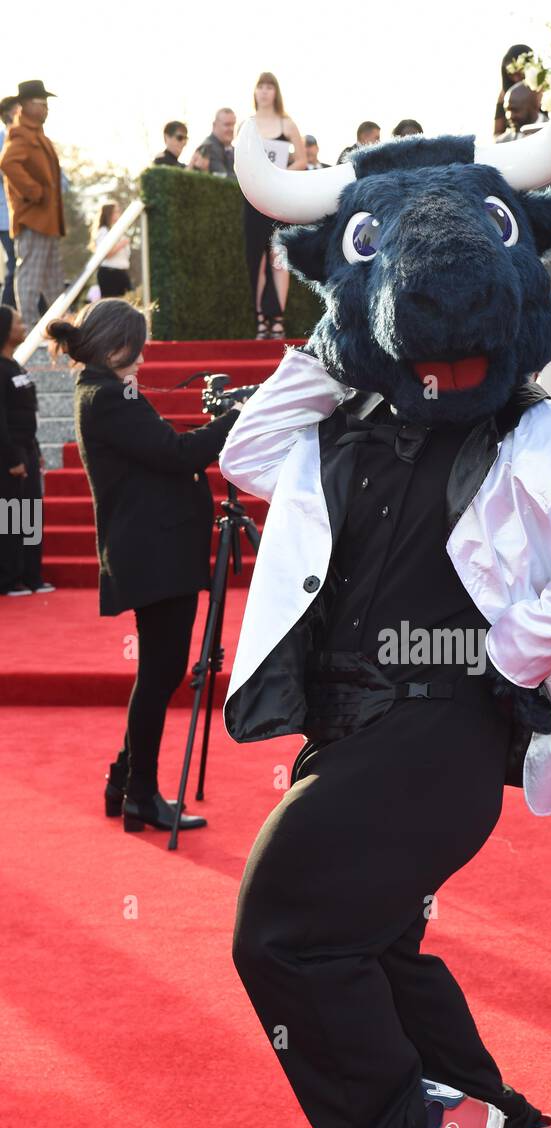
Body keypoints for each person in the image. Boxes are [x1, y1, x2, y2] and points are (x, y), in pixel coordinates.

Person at [219, 80, 551, 1128]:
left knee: (281, 939)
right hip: (350, 729)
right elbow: (244, 449)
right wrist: (342, 323)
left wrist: (510, 649)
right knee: (375, 945)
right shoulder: (346, 419)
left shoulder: (547, 436)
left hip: (439, 736)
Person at [45, 299, 242, 832]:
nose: (141, 360)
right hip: (155, 556)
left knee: (157, 672)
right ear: (116, 345)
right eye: (136, 349)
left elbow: (160, 452)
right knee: (159, 675)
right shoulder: (107, 396)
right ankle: (141, 796)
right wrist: (235, 419)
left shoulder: (103, 390)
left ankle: (123, 781)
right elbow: (177, 455)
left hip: (155, 551)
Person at [238, 73, 306, 340]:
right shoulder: (247, 124)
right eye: (260, 87)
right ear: (254, 92)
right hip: (253, 199)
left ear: (276, 92)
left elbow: (301, 160)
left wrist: (280, 174)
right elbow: (239, 161)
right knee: (256, 258)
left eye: (269, 87)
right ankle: (260, 321)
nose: (265, 92)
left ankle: (277, 318)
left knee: (279, 257)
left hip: (279, 198)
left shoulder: (287, 124)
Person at [0, 80, 65, 332]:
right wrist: (33, 192)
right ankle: (26, 326)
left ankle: (60, 326)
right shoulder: (21, 134)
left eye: (46, 104)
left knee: (52, 278)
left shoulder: (37, 134)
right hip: (32, 218)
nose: (45, 109)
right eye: (41, 104)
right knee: (29, 274)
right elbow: (8, 163)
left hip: (47, 219)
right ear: (26, 106)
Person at [0, 305, 53, 595]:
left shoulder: (17, 367)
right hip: (10, 456)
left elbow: (27, 413)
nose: (23, 326)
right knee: (11, 516)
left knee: (31, 513)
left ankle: (32, 575)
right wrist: (12, 457)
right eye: (17, 322)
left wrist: (36, 449)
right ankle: (9, 578)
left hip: (29, 451)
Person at [0, 95, 21, 308]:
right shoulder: (3, 139)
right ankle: (6, 313)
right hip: (6, 218)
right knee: (16, 265)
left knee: (24, 265)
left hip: (24, 216)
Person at [92, 202, 132, 299]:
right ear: (108, 214)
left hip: (121, 272)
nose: (118, 214)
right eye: (116, 212)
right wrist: (121, 244)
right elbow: (106, 254)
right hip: (110, 274)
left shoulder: (117, 230)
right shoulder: (103, 231)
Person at [494, 43, 532, 136]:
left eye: (519, 73)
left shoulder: (545, 90)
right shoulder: (504, 95)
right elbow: (497, 133)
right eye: (511, 74)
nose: (516, 79)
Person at [196, 108, 237, 178]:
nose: (231, 129)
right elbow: (223, 177)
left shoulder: (232, 149)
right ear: (214, 125)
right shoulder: (208, 148)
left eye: (233, 125)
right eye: (227, 125)